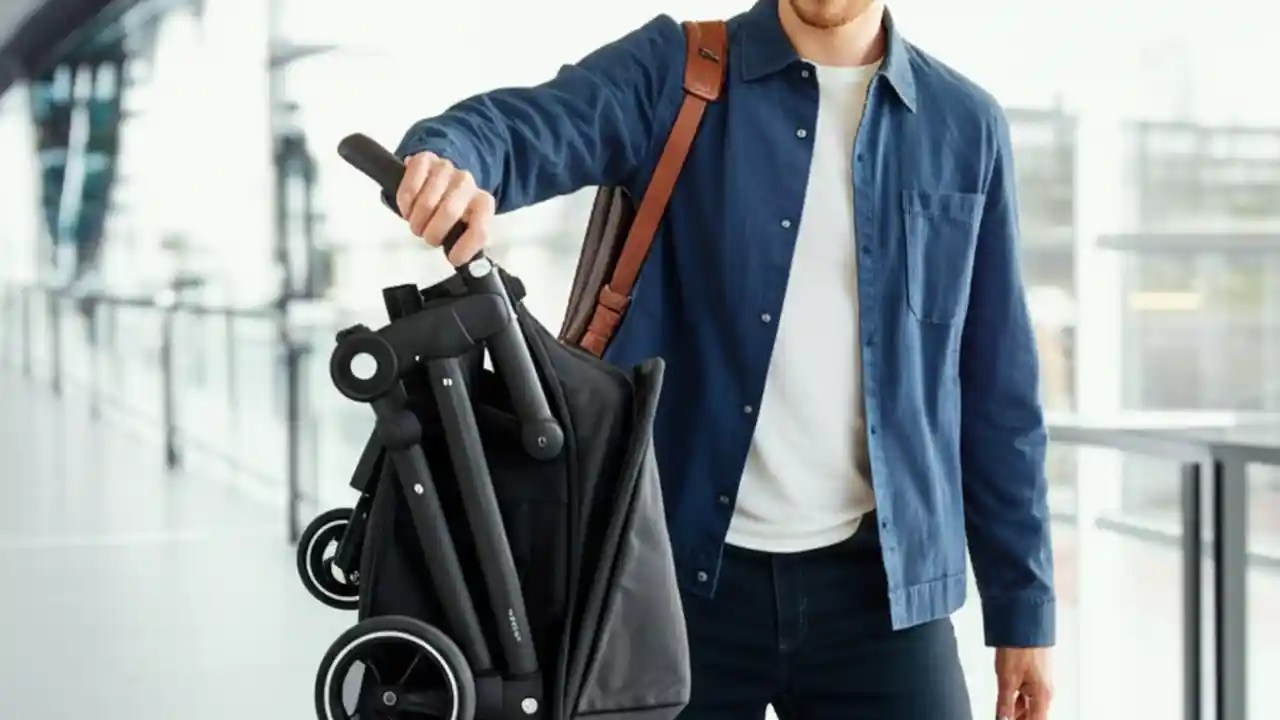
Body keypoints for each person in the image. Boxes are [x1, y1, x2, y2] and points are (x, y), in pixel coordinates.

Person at [390, 1, 1055, 718]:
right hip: (670, 577)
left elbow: (997, 391)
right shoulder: (677, 71)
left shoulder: (964, 126)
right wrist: (451, 160)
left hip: (884, 595)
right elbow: (525, 127)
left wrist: (1024, 613)